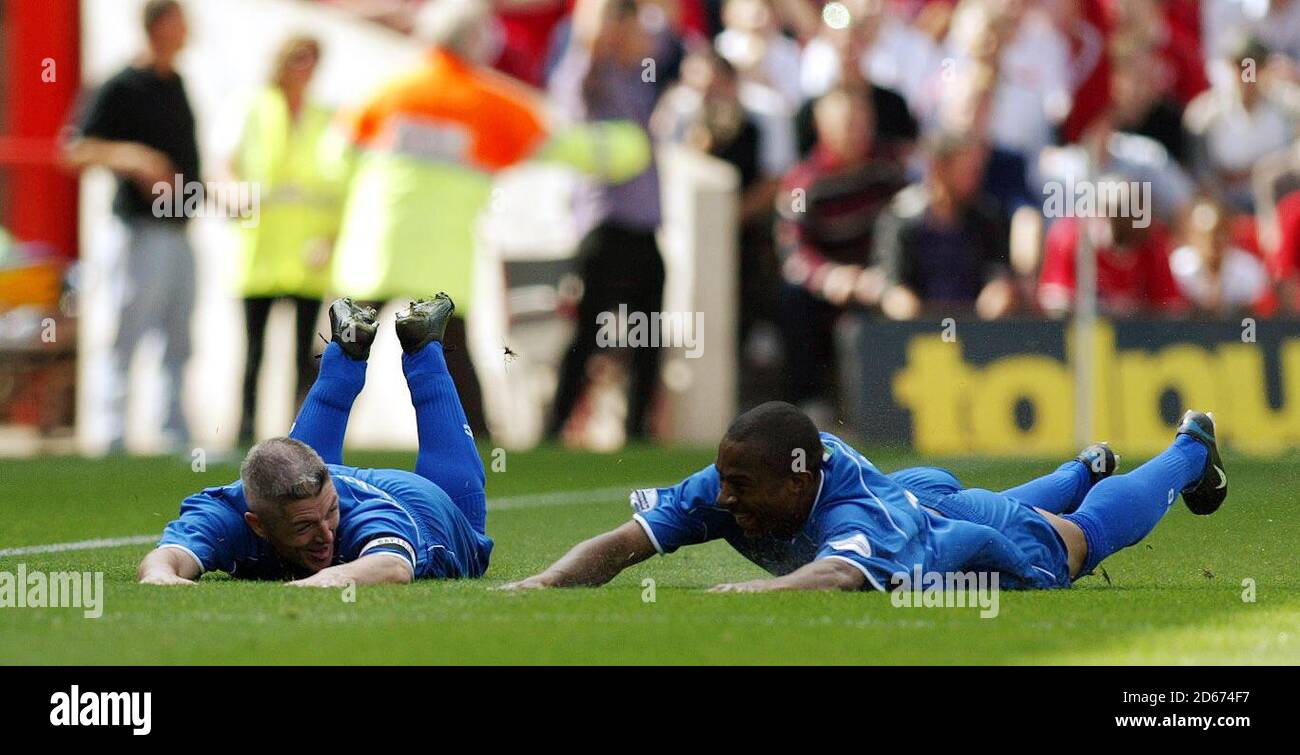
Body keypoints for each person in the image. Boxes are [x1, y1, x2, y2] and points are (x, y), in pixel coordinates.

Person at [328, 0, 651, 438]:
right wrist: (633, 145)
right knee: (451, 356)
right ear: (476, 40)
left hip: (376, 247)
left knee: (344, 350)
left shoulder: (390, 91)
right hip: (440, 258)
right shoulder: (488, 103)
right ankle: (476, 443)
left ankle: (304, 438)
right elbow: (566, 146)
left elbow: (333, 155)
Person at [502, 401, 1228, 593]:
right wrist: (538, 584)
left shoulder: (851, 518)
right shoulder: (731, 484)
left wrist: (741, 592)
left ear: (799, 482)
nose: (725, 500)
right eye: (722, 479)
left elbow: (837, 573)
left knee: (1071, 541)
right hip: (917, 500)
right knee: (975, 503)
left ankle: (1190, 448)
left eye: (743, 488)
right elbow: (626, 542)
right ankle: (1081, 466)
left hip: (940, 524)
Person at [137, 294, 492, 586]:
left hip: (427, 507)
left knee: (470, 532)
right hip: (335, 484)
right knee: (298, 465)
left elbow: (391, 568)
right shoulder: (226, 511)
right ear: (256, 523)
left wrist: (309, 582)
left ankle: (424, 349)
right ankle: (363, 348)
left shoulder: (364, 515)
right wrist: (159, 574)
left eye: (330, 513)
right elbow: (168, 557)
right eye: (304, 526)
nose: (325, 535)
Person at [63, 0, 198, 452]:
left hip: (179, 229)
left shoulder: (177, 83)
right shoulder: (121, 85)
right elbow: (75, 149)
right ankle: (110, 435)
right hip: (138, 231)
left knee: (179, 337)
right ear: (158, 26)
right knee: (126, 332)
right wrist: (133, 157)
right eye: (180, 22)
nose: (187, 31)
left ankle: (173, 433)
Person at [545, 0, 678, 442]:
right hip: (605, 227)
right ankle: (554, 430)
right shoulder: (590, 75)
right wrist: (598, 27)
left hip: (645, 230)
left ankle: (639, 433)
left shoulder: (636, 76)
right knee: (586, 337)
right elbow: (568, 89)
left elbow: (664, 35)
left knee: (647, 338)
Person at [230, 35, 343, 445]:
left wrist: (331, 239)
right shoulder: (254, 109)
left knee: (304, 355)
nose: (305, 68)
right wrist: (233, 194)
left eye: (313, 60)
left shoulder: (327, 117)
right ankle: (244, 433)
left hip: (307, 254)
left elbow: (341, 185)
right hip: (261, 251)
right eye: (299, 58)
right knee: (254, 351)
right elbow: (226, 165)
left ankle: (302, 436)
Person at [873, 129, 1014, 321]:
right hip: (917, 336)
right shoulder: (899, 218)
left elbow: (998, 273)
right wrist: (912, 313)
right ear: (938, 168)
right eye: (968, 170)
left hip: (976, 332)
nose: (977, 178)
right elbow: (891, 284)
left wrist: (997, 293)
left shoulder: (989, 217)